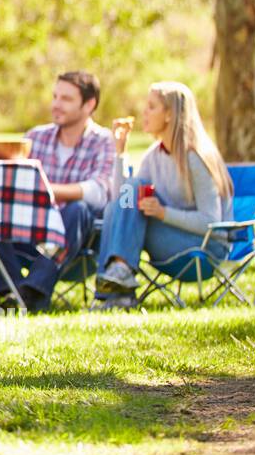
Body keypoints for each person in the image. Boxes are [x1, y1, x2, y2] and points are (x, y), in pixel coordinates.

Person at [93, 81, 234, 309]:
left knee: (130, 197)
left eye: (151, 107)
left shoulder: (195, 158)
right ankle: (118, 284)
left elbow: (211, 222)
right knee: (126, 196)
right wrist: (120, 152)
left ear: (169, 114)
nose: (144, 113)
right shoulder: (154, 155)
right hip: (172, 242)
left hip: (205, 249)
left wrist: (162, 213)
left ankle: (110, 287)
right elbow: (122, 201)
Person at [0, 71, 116, 311]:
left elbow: (100, 190)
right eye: (55, 96)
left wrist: (46, 191)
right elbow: (15, 183)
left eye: (66, 99)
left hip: (76, 241)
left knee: (79, 208)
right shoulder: (35, 137)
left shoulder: (104, 140)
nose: (56, 104)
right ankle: (13, 292)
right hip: (30, 231)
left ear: (89, 104)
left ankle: (31, 292)